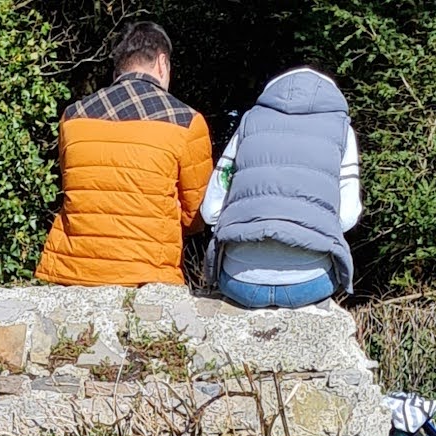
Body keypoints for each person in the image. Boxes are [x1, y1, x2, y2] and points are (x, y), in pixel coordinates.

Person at [36, 20, 212, 287]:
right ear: (162, 63)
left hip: (73, 273)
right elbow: (197, 215)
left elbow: (76, 187)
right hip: (148, 275)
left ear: (119, 67)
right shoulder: (186, 121)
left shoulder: (72, 116)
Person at [199, 69, 360, 308]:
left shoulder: (249, 122)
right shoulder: (341, 130)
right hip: (308, 284)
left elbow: (210, 210)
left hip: (239, 282)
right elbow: (347, 217)